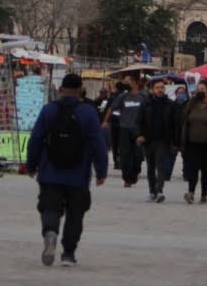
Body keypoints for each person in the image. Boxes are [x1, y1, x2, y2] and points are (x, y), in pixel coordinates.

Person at [26, 72, 109, 267]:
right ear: (81, 90)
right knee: (75, 213)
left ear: (61, 90)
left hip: (50, 171)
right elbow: (98, 143)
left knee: (49, 207)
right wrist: (101, 171)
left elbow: (36, 139)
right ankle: (68, 254)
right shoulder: (88, 112)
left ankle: (50, 232)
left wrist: (31, 165)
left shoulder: (48, 110)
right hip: (78, 174)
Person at [140, 77, 179, 203]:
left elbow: (175, 124)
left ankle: (160, 190)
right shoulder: (145, 104)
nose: (160, 90)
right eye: (157, 88)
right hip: (149, 140)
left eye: (162, 87)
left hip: (163, 140)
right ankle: (152, 191)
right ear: (152, 90)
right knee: (151, 167)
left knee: (161, 166)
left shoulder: (170, 104)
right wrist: (139, 135)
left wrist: (175, 142)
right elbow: (139, 121)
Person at [104, 75, 147, 187]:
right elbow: (111, 108)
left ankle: (135, 172)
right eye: (125, 81)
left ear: (135, 82)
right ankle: (127, 178)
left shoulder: (144, 96)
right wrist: (105, 121)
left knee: (138, 155)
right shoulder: (122, 96)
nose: (125, 83)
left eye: (128, 81)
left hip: (138, 130)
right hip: (125, 129)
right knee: (125, 155)